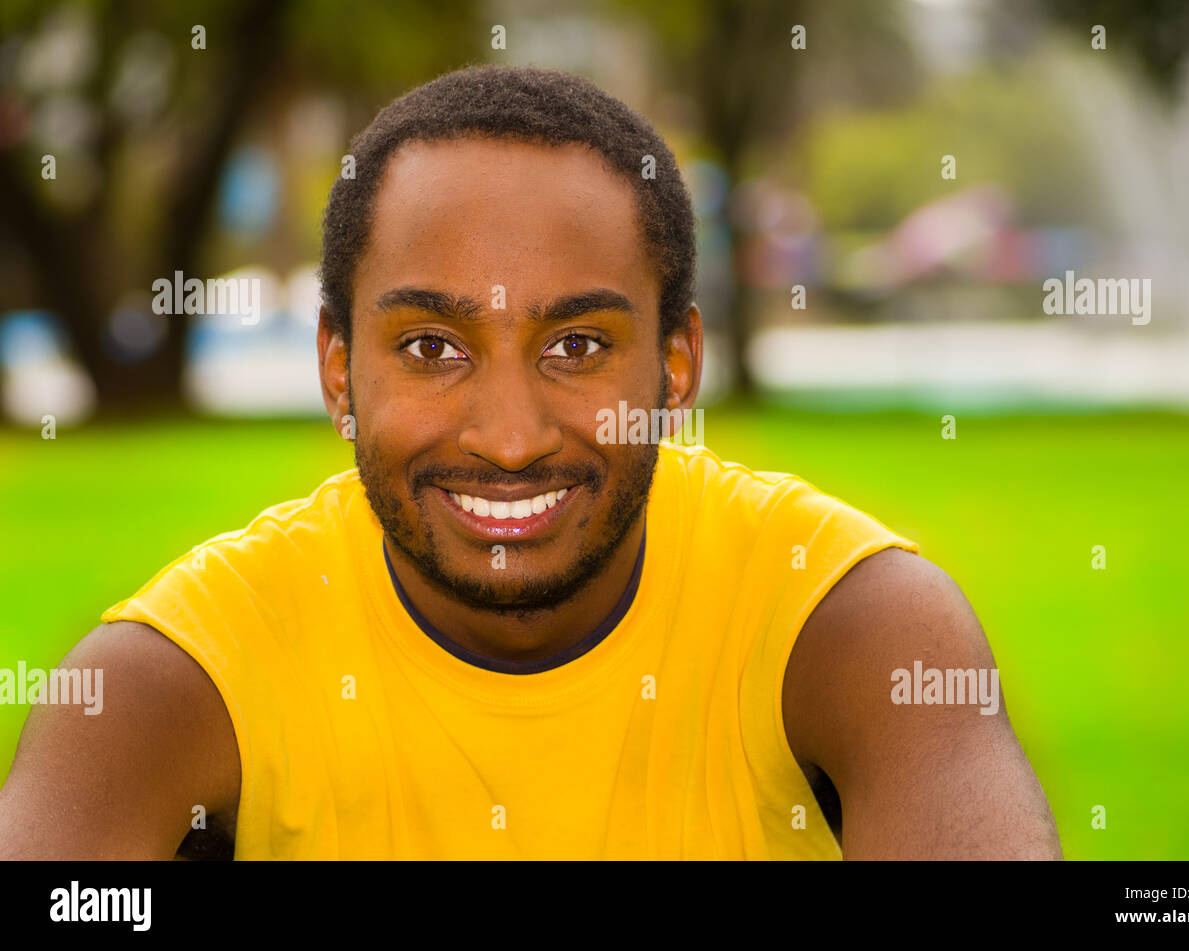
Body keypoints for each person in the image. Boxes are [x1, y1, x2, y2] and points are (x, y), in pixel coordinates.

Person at [0, 65, 1061, 860]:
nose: (509, 439)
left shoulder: (850, 624)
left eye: (578, 347)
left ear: (676, 365)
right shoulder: (172, 679)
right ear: (336, 369)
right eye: (431, 348)